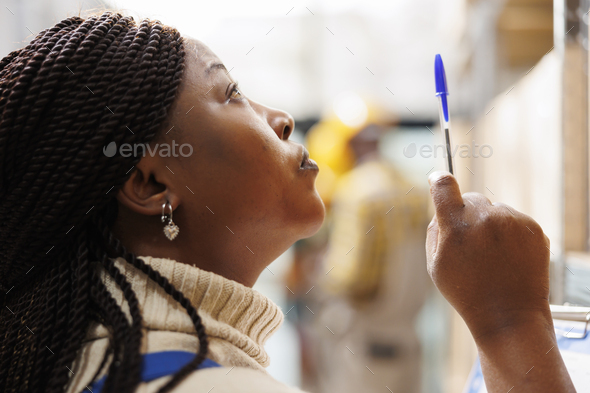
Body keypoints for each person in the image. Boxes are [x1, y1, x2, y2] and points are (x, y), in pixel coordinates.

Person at [0, 11, 576, 393]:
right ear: (151, 186)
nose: (280, 118)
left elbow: (351, 277)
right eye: (232, 95)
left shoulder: (79, 361)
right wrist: (510, 326)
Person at [313, 123, 432, 393]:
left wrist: (320, 272)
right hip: (409, 344)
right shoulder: (414, 189)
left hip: (367, 349)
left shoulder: (358, 191)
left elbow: (349, 278)